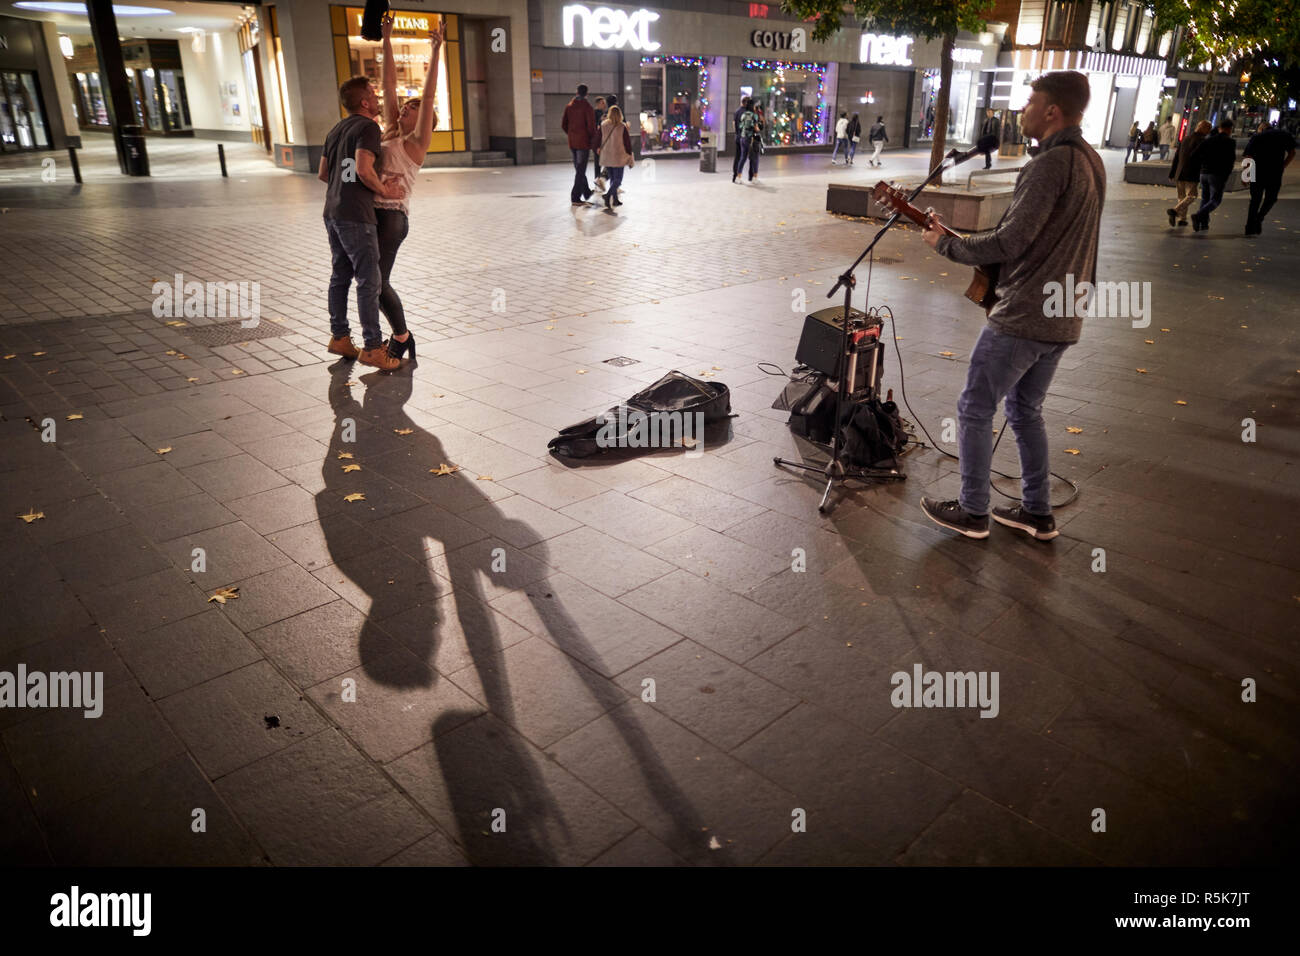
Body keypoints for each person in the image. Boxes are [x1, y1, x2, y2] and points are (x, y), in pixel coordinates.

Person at [919, 71, 1104, 541]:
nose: (1021, 110)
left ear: (1052, 112)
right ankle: (1037, 513)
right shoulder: (1091, 161)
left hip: (1026, 316)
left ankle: (972, 510)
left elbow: (1011, 240)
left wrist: (946, 246)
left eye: (1029, 102)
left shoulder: (1048, 165)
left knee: (976, 406)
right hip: (1065, 313)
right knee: (1025, 410)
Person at [317, 75, 402, 371]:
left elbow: (324, 173)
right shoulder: (367, 127)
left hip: (333, 210)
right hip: (356, 215)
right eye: (373, 94)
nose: (377, 98)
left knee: (340, 275)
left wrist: (347, 182)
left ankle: (340, 337)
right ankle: (373, 347)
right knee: (369, 280)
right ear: (364, 102)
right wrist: (384, 189)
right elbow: (364, 169)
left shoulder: (336, 128)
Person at [374, 16, 444, 361]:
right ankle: (401, 336)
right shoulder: (391, 132)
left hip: (391, 219)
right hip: (370, 213)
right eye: (406, 105)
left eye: (415, 107)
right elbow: (389, 87)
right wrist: (386, 40)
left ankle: (402, 336)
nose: (406, 106)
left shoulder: (416, 143)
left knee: (376, 283)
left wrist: (436, 49)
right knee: (370, 282)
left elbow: (429, 96)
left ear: (426, 121)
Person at [1243, 120, 1297, 235]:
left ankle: (1249, 228)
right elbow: (1292, 152)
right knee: (1271, 198)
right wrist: (1283, 165)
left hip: (1257, 172)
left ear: (1261, 128)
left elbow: (1248, 157)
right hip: (1275, 173)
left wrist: (1246, 176)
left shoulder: (1256, 137)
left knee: (1255, 200)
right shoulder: (1284, 135)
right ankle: (1259, 218)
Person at [1190, 119, 1235, 232]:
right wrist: (1226, 174)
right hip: (1218, 174)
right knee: (1215, 200)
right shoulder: (1230, 142)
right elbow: (1230, 161)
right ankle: (1198, 216)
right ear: (1229, 129)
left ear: (1219, 128)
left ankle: (1203, 223)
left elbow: (1195, 155)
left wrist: (1203, 164)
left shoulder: (1208, 140)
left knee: (1205, 198)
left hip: (1204, 173)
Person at [1167, 120, 1210, 227]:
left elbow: (1176, 157)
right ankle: (1174, 210)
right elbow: (1203, 158)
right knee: (1192, 195)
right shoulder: (1202, 141)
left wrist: (1172, 173)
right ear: (1203, 128)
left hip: (1179, 172)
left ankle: (1182, 219)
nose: (1209, 131)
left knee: (1181, 197)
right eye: (1208, 129)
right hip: (1191, 172)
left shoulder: (1185, 138)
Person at [561, 83, 597, 207]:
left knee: (579, 169)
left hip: (573, 142)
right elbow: (591, 127)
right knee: (580, 170)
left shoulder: (569, 106)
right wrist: (593, 140)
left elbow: (564, 125)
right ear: (587, 94)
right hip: (583, 143)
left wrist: (571, 134)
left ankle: (586, 193)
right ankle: (575, 197)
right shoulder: (587, 107)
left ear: (576, 92)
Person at [596, 105, 634, 211]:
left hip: (608, 155)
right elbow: (627, 142)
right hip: (619, 155)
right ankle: (608, 195)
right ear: (620, 114)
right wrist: (629, 154)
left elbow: (598, 137)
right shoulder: (622, 126)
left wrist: (597, 148)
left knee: (613, 178)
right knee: (618, 179)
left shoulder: (603, 125)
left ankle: (615, 200)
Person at [733, 99, 759, 183]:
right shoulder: (754, 115)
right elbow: (756, 128)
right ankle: (754, 178)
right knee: (755, 158)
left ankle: (738, 177)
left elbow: (740, 126)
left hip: (743, 138)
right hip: (751, 139)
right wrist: (758, 129)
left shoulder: (743, 115)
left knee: (742, 158)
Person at [732, 96, 752, 180]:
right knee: (748, 157)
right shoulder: (748, 112)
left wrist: (736, 133)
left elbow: (733, 123)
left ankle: (735, 174)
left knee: (737, 156)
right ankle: (750, 176)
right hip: (745, 137)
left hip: (737, 137)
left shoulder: (737, 111)